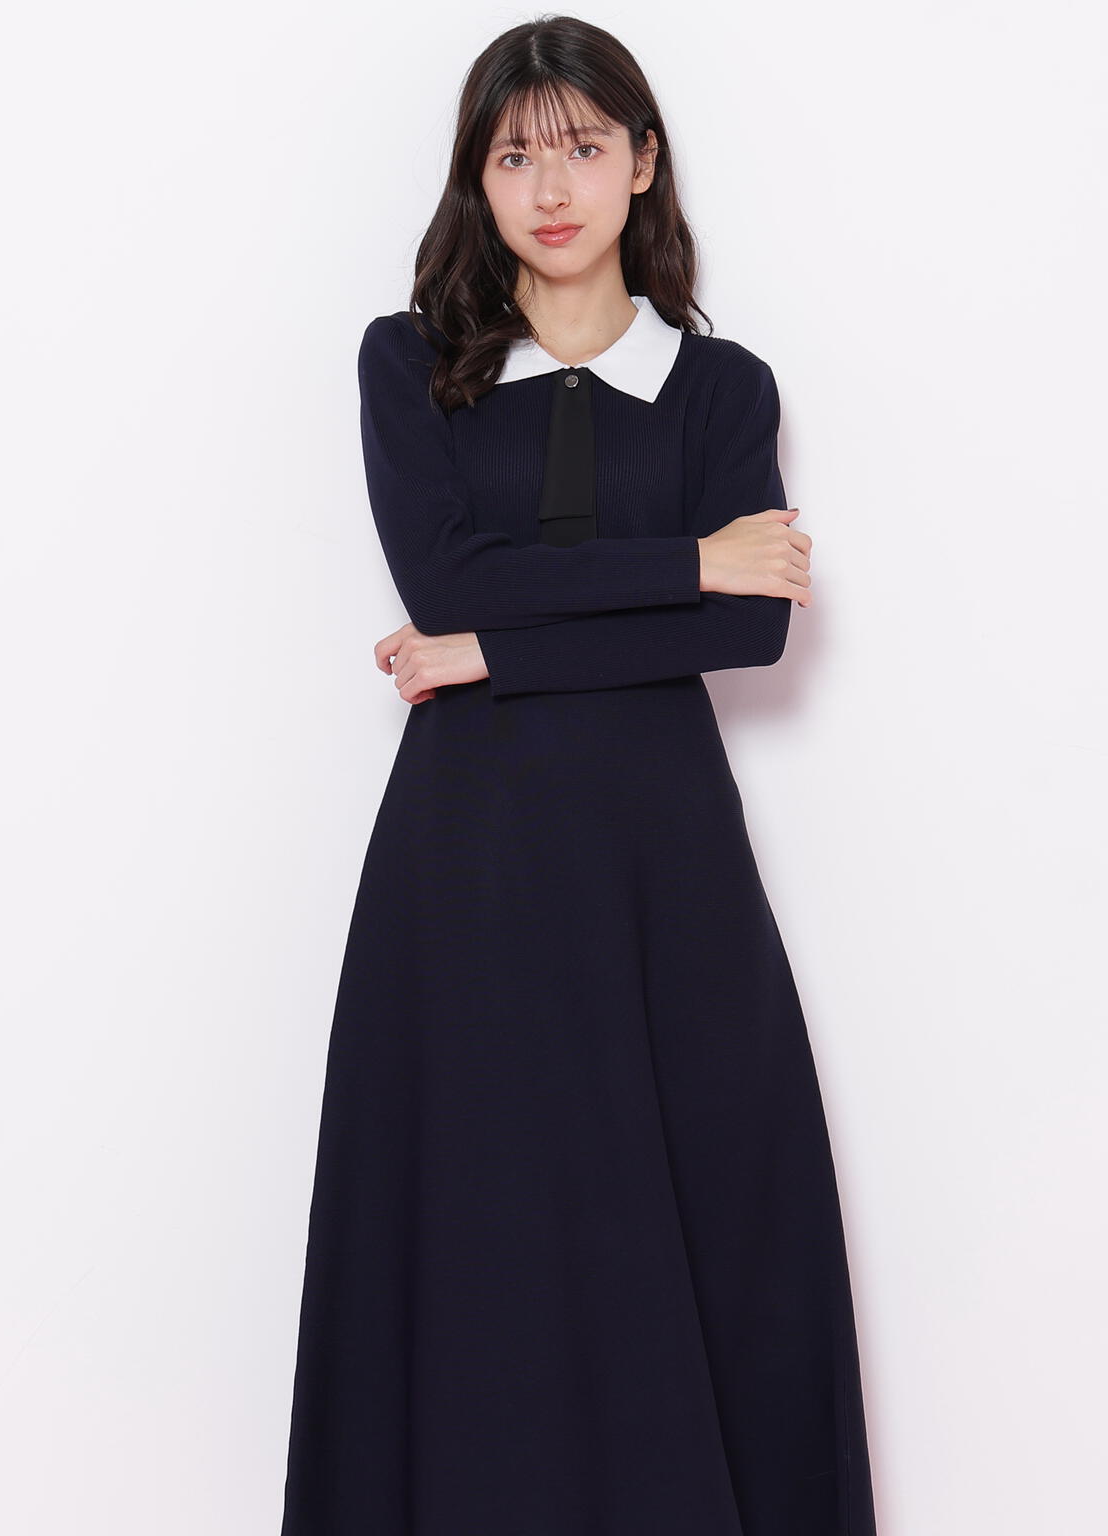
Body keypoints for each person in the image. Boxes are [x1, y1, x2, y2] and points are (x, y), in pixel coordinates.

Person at [279, 16, 878, 1536]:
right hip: (468, 870)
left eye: (586, 149)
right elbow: (447, 574)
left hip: (662, 864)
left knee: (709, 1212)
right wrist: (686, 558)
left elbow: (749, 631)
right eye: (515, 156)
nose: (553, 190)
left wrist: (491, 651)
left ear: (643, 162)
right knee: (476, 1223)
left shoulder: (722, 388)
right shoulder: (413, 363)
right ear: (476, 179)